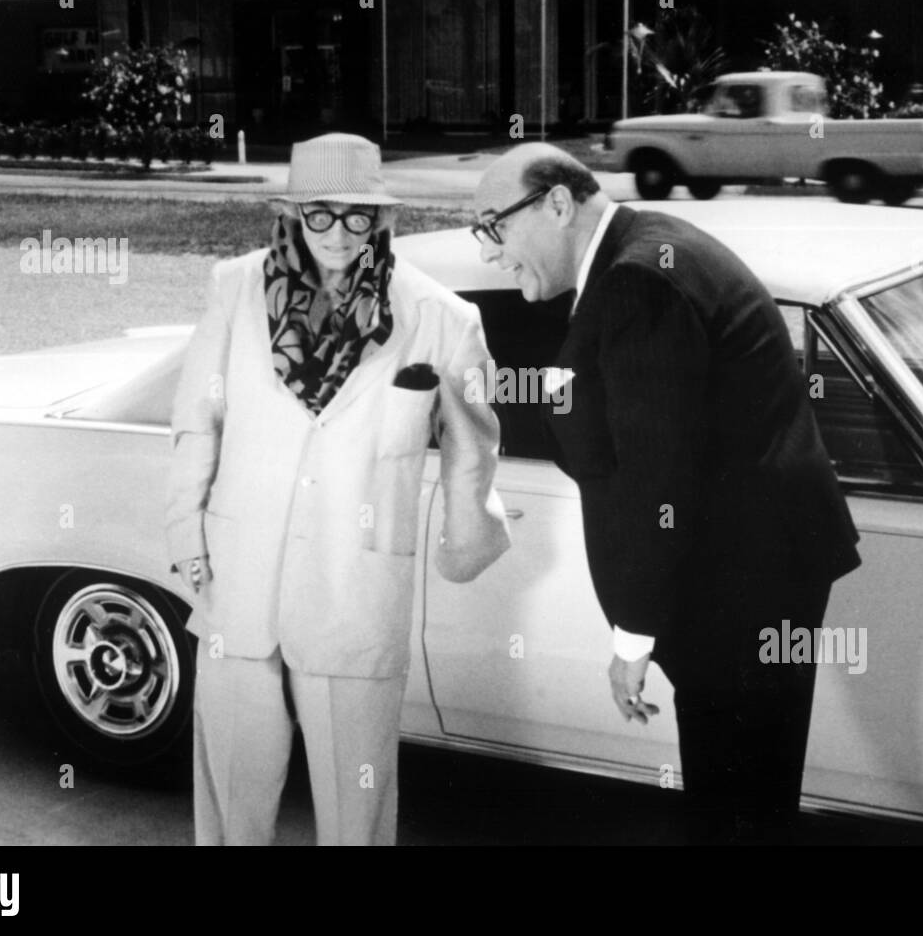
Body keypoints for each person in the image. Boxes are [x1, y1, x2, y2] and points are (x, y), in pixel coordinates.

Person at [471, 144, 861, 844]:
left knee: (732, 802)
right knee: (752, 795)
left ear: (557, 205)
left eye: (493, 226)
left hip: (733, 591)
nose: (490, 253)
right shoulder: (653, 250)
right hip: (760, 574)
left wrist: (633, 636)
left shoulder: (637, 282)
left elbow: (657, 482)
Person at [166, 133, 510, 846]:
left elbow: (474, 449)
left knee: (358, 816)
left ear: (381, 221)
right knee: (231, 805)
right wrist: (186, 538)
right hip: (240, 585)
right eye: (319, 214)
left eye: (358, 217)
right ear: (292, 212)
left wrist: (464, 539)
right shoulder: (233, 287)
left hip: (356, 597)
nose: (338, 233)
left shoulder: (444, 317)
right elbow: (198, 422)